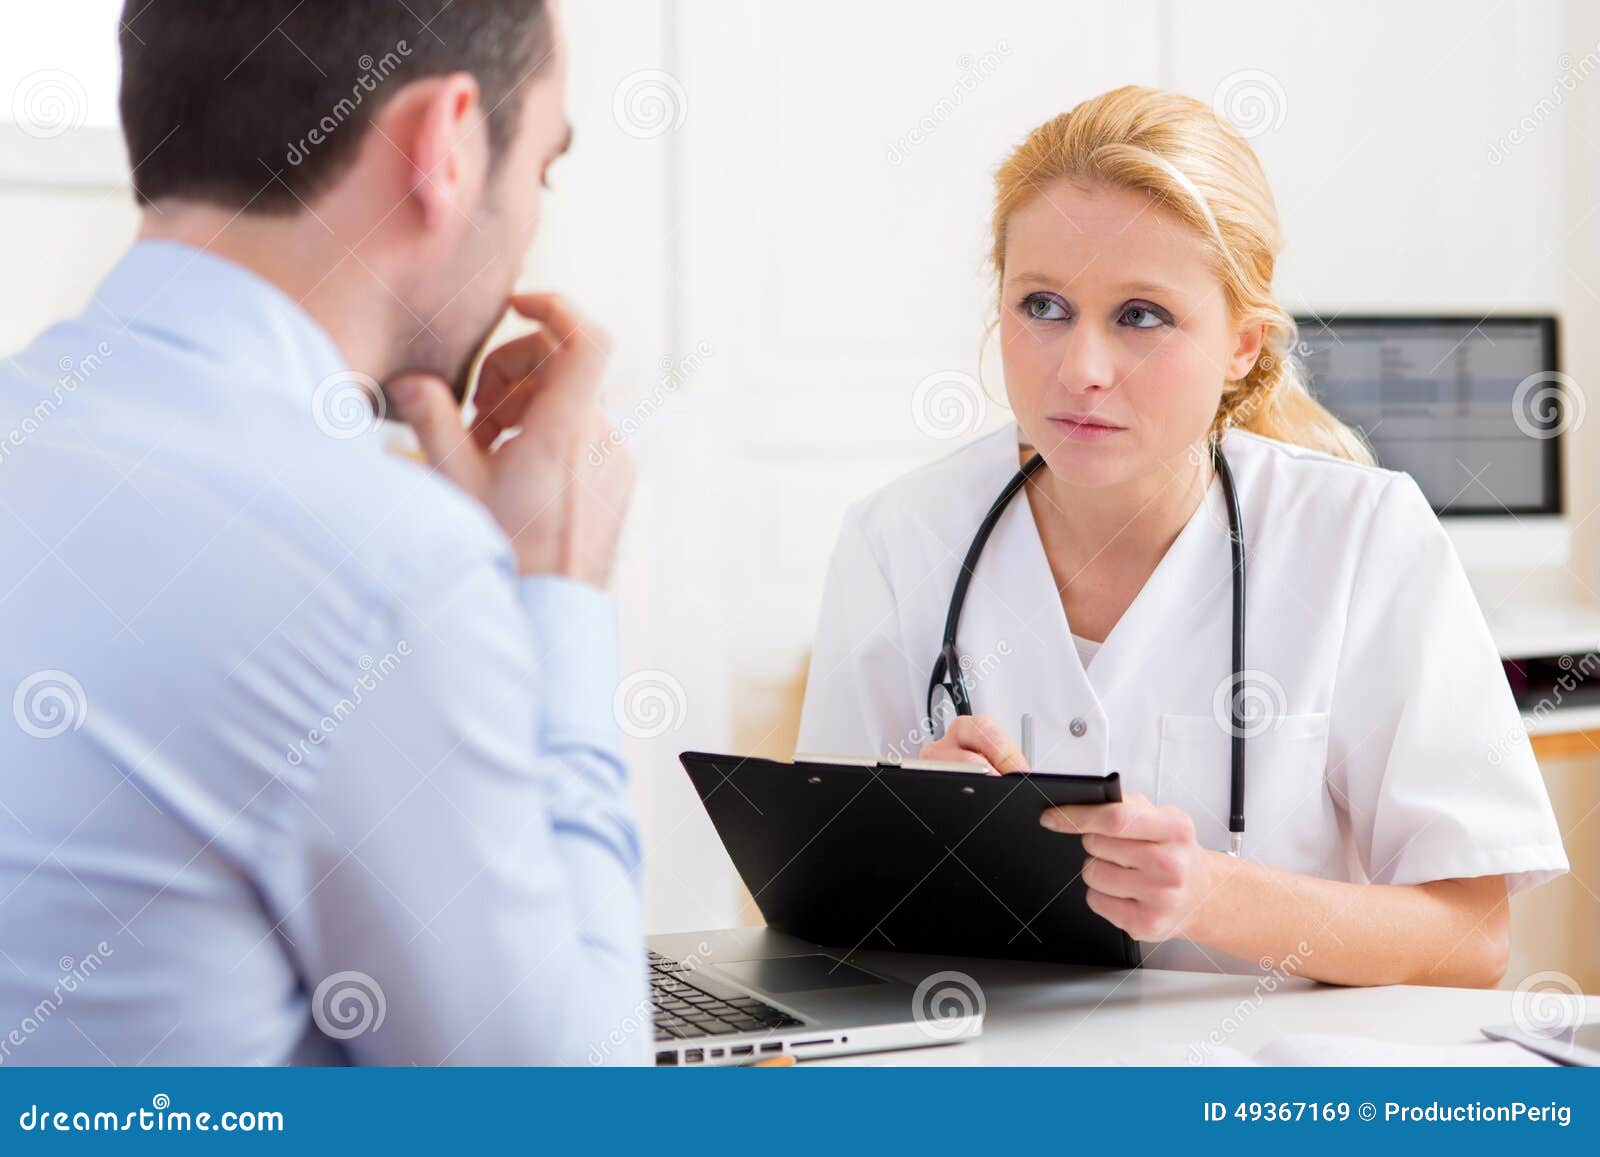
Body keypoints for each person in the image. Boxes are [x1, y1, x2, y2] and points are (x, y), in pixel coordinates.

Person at [797, 86, 1568, 987]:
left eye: (1142, 316)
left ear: (1242, 344)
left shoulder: (1360, 538)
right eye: (1042, 305)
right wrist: (916, 834)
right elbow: (824, 924)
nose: (1081, 370)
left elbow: (1470, 940)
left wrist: (1211, 896)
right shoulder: (898, 539)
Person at [0, 0, 649, 1064]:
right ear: (443, 142)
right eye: (542, 166)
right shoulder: (384, 568)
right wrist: (557, 587)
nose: (533, 215)